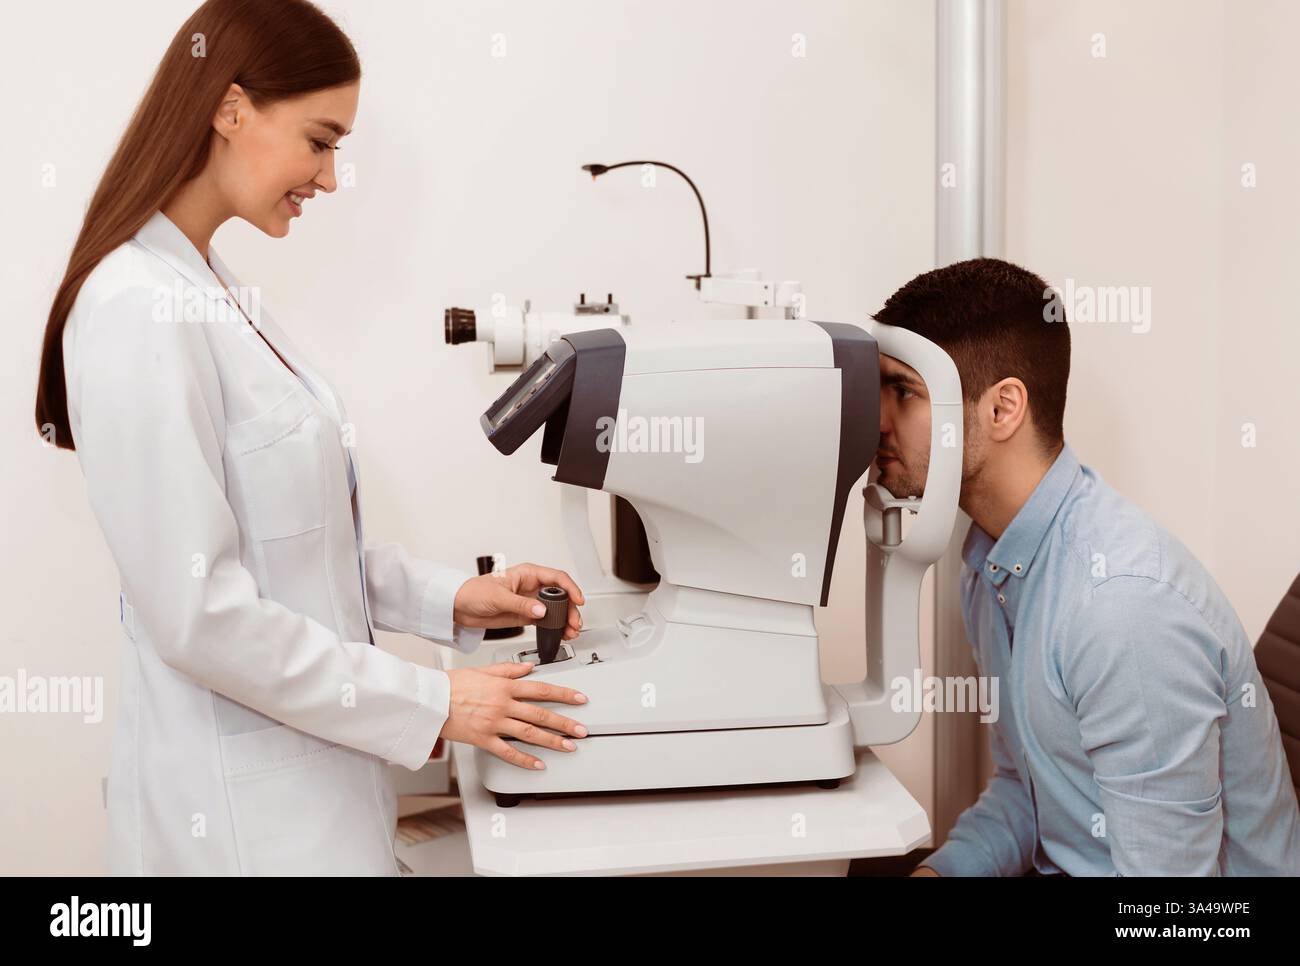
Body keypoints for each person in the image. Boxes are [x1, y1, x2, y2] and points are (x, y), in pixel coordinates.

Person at [33, 0, 586, 876]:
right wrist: (432, 700)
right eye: (320, 141)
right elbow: (200, 616)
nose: (329, 178)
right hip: (239, 830)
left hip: (315, 808)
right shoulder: (136, 306)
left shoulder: (212, 289)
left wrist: (452, 601)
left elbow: (293, 556)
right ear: (230, 107)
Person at [871, 257, 1300, 876]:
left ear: (1002, 409)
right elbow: (1031, 790)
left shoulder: (1121, 607)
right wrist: (940, 873)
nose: (879, 421)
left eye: (904, 392)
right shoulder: (991, 560)